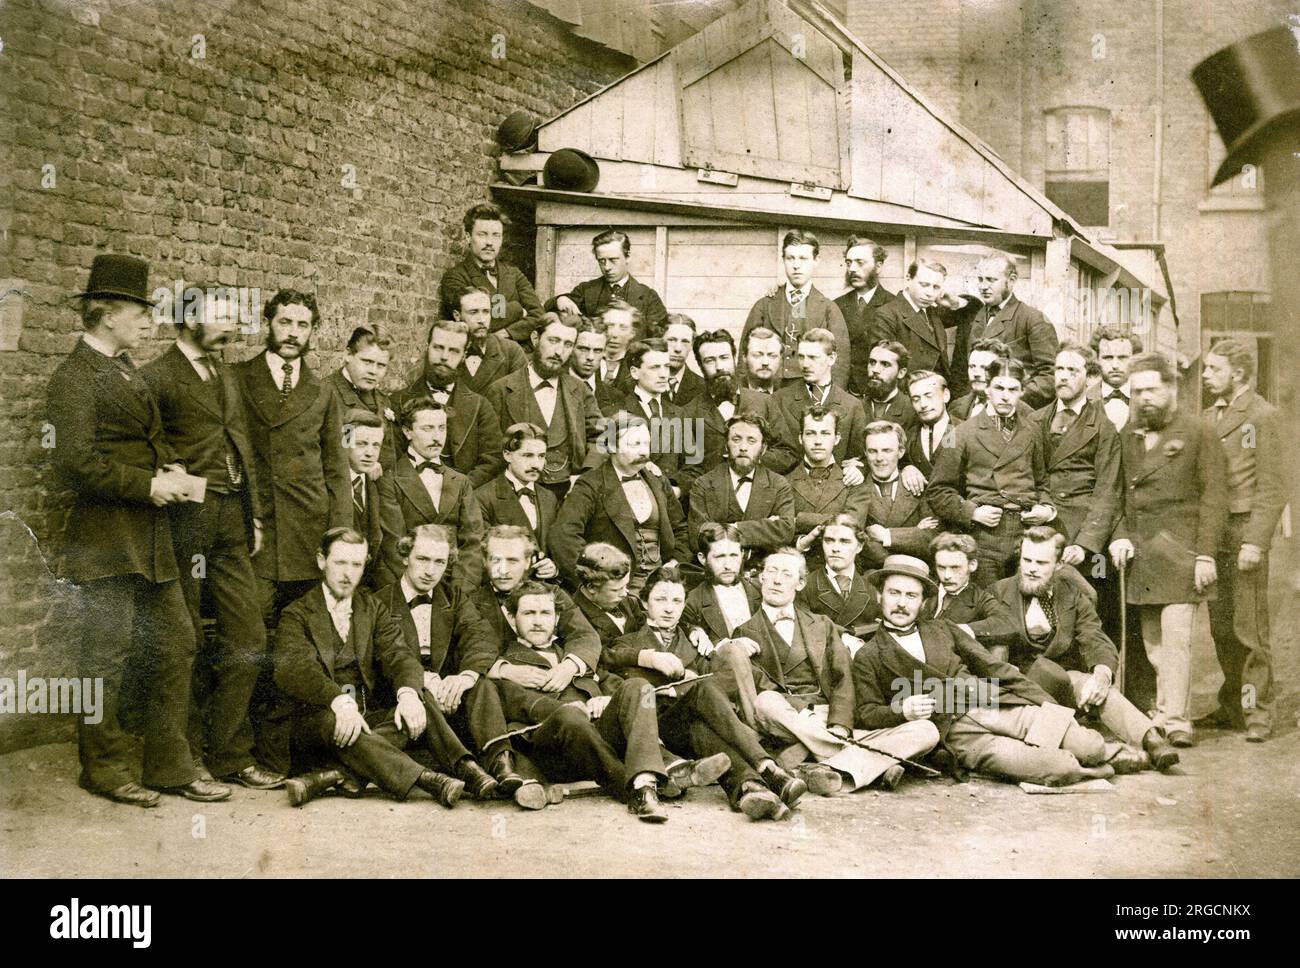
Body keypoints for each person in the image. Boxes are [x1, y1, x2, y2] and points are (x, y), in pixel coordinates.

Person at [46, 254, 227, 808]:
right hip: (106, 539)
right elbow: (71, 463)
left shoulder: (125, 369)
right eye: (139, 311)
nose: (150, 320)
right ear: (105, 314)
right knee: (106, 654)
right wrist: (147, 484)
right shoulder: (73, 378)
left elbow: (148, 438)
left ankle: (169, 766)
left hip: (151, 538)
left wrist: (170, 465)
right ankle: (103, 767)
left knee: (176, 643)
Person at [141, 287, 284, 790]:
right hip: (184, 521)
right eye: (219, 316)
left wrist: (256, 517)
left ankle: (229, 753)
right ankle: (185, 760)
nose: (232, 325)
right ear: (186, 321)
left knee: (249, 635)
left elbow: (243, 445)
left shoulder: (224, 371)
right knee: (184, 641)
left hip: (231, 518)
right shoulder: (157, 377)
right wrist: (166, 467)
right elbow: (146, 445)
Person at [853, 555, 1120, 787]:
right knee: (1059, 766)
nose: (901, 603)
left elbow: (997, 668)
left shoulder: (943, 628)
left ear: (923, 602)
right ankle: (1104, 767)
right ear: (879, 595)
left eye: (911, 595)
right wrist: (903, 711)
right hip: (960, 736)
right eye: (894, 593)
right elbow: (866, 713)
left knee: (1089, 746)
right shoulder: (869, 655)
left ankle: (1106, 754)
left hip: (993, 703)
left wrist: (1047, 705)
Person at [489, 581, 721, 822]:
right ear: (512, 618)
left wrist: (607, 699)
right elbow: (519, 703)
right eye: (528, 613)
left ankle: (646, 784)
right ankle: (638, 783)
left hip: (596, 740)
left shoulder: (575, 655)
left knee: (638, 687)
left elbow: (608, 681)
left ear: (557, 618)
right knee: (570, 716)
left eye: (545, 613)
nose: (538, 621)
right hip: (551, 749)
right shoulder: (506, 664)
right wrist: (576, 709)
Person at [268, 528, 467, 808]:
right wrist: (338, 701)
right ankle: (426, 779)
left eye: (357, 564)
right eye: (340, 563)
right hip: (311, 724)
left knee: (421, 702)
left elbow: (399, 655)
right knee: (332, 721)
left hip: (364, 719)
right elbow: (295, 669)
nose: (348, 574)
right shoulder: (296, 613)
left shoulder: (372, 608)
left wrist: (408, 694)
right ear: (321, 560)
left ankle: (467, 769)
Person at [606, 566, 808, 821]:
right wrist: (651, 659)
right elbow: (610, 659)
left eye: (677, 601)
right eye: (660, 599)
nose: (669, 608)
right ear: (645, 603)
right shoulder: (630, 641)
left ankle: (756, 782)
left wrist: (694, 680)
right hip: (645, 732)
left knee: (704, 701)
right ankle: (761, 774)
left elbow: (716, 686)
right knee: (700, 710)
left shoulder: (694, 643)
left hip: (679, 730)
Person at [728, 548, 937, 792]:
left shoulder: (823, 625)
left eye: (786, 574)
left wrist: (839, 724)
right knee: (765, 701)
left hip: (829, 717)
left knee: (926, 730)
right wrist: (803, 714)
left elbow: (843, 677)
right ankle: (870, 762)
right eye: (771, 572)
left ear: (800, 583)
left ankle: (828, 765)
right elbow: (759, 686)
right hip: (788, 717)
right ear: (760, 578)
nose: (776, 580)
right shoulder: (744, 633)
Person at [375, 524, 548, 809]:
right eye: (422, 559)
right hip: (405, 693)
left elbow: (480, 636)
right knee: (422, 695)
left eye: (439, 562)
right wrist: (421, 679)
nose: (430, 570)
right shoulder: (380, 601)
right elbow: (387, 656)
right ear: (405, 557)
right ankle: (468, 770)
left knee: (482, 685)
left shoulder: (453, 597)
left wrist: (465, 676)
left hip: (448, 691)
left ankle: (501, 764)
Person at [1109, 352, 1228, 747]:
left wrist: (1206, 555)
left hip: (1182, 553)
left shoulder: (1198, 432)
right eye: (1136, 391)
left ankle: (1176, 721)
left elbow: (1214, 498)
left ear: (1171, 388)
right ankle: (1164, 712)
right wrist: (1120, 535)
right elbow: (1122, 496)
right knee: (1154, 644)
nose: (1143, 398)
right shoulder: (1129, 434)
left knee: (1177, 641)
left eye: (1151, 390)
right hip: (1142, 553)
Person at [990, 528, 1178, 772]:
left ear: (1058, 565)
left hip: (1063, 680)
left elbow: (1095, 638)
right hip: (1017, 686)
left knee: (1097, 687)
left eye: (1041, 562)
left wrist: (1101, 676)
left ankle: (1151, 740)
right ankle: (1105, 756)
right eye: (1026, 560)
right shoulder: (997, 592)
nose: (1031, 568)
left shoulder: (1073, 596)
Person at [235, 288, 351, 625]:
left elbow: (336, 468)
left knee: (305, 633)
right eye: (285, 321)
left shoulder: (323, 391)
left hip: (308, 531)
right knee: (252, 630)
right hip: (259, 531)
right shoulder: (239, 378)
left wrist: (341, 536)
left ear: (312, 330)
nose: (292, 332)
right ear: (267, 323)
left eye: (303, 324)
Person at [1200, 339, 1285, 742]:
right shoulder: (1206, 417)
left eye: (1213, 369)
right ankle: (1233, 703)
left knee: (1249, 628)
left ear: (1237, 373)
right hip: (1215, 531)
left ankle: (1258, 712)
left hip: (1244, 529)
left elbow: (1273, 485)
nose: (1204, 376)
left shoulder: (1263, 416)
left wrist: (1255, 541)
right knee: (1220, 627)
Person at [927, 357, 1055, 587]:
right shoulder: (960, 433)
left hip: (1027, 533)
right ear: (987, 388)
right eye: (999, 388)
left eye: (1013, 389)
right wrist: (972, 512)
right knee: (992, 605)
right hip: (985, 534)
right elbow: (938, 491)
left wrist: (1045, 508)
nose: (1006, 396)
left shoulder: (1034, 431)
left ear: (1022, 391)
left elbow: (1042, 481)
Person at [551, 413, 687, 590]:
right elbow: (563, 536)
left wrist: (674, 563)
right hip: (616, 588)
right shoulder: (591, 484)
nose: (644, 451)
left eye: (646, 444)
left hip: (663, 583)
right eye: (635, 444)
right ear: (613, 445)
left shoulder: (658, 481)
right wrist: (596, 580)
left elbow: (681, 528)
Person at [483, 313, 602, 503]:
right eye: (553, 341)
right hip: (515, 496)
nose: (559, 351)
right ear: (535, 338)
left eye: (568, 344)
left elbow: (601, 437)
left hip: (568, 496)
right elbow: (488, 450)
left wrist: (584, 477)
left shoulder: (579, 391)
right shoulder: (501, 390)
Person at [375, 396, 484, 592]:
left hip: (457, 588)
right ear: (408, 432)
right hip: (409, 585)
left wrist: (461, 589)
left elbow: (473, 541)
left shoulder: (460, 481)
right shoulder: (390, 480)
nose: (437, 437)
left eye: (442, 428)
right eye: (428, 428)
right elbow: (393, 544)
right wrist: (418, 587)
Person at [1033, 343, 1123, 578]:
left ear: (1091, 378)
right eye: (1059, 369)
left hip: (1082, 529)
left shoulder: (1104, 428)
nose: (1063, 377)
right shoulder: (1034, 420)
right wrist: (1043, 507)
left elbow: (1107, 491)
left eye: (1073, 371)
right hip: (1040, 523)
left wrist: (1084, 545)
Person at [675, 328, 789, 496]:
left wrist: (750, 464)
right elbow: (691, 467)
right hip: (712, 499)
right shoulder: (690, 413)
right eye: (710, 361)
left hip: (759, 495)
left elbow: (787, 451)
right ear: (700, 366)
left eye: (724, 358)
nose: (719, 367)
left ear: (734, 359)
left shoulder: (764, 402)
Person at [394, 317, 504, 487]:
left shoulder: (480, 406)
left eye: (453, 351)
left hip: (464, 498)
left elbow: (493, 459)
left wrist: (461, 489)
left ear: (464, 356)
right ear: (427, 347)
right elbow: (392, 456)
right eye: (438, 348)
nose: (444, 357)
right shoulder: (398, 401)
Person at [741, 230, 852, 387]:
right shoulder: (764, 306)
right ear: (783, 260)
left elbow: (841, 364)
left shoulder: (829, 309)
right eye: (790, 258)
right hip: (770, 392)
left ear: (816, 261)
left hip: (811, 393)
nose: (796, 265)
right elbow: (743, 357)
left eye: (803, 258)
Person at [472, 525, 602, 655]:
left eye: (512, 561)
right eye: (496, 560)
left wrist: (568, 667)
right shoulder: (472, 603)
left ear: (527, 561)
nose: (503, 570)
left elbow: (585, 636)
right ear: (484, 561)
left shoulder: (553, 593)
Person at [687, 411, 795, 557]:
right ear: (726, 445)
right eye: (736, 439)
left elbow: (785, 530)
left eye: (751, 441)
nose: (743, 447)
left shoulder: (779, 485)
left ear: (763, 448)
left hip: (763, 569)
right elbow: (697, 537)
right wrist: (765, 527)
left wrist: (733, 528)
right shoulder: (703, 484)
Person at [868, 259, 979, 395]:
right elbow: (884, 368)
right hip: (910, 398)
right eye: (924, 285)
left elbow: (974, 309)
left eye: (936, 287)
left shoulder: (933, 312)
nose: (930, 293)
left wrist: (954, 302)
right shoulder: (887, 314)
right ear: (908, 279)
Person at [438, 202, 544, 343]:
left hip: (517, 351)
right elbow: (473, 320)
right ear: (468, 238)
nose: (489, 242)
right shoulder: (456, 277)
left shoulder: (514, 274)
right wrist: (517, 309)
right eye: (482, 235)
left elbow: (539, 316)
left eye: (496, 235)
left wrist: (506, 333)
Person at [962, 253, 1059, 408]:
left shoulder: (1032, 319)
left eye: (991, 280)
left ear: (1011, 280)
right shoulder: (977, 317)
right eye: (980, 279)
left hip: (1016, 412)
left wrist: (1009, 397)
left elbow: (1050, 376)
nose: (983, 286)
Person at [768, 329, 867, 475]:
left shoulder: (852, 405)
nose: (805, 364)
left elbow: (861, 457)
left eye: (813, 357)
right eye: (801, 357)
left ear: (832, 358)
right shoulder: (779, 400)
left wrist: (858, 470)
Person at [549, 229, 668, 332]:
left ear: (628, 257)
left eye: (613, 260)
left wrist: (635, 317)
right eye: (602, 261)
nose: (607, 267)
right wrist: (560, 300)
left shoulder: (648, 297)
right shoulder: (586, 290)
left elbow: (659, 336)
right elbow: (549, 311)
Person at [922, 532, 1019, 653]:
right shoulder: (924, 590)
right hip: (915, 666)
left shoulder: (979, 598)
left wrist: (961, 630)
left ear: (972, 565)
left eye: (955, 568)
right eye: (941, 567)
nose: (947, 576)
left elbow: (1009, 624)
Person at [788, 406, 870, 549]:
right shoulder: (784, 482)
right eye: (810, 433)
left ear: (837, 438)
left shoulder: (853, 481)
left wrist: (799, 520)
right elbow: (781, 529)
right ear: (801, 438)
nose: (818, 441)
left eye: (825, 433)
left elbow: (852, 524)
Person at [860, 419, 939, 567]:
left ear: (901, 451)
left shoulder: (919, 485)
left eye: (887, 450)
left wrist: (886, 536)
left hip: (917, 575)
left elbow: (932, 539)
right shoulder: (856, 489)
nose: (879, 458)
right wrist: (913, 533)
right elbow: (859, 544)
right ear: (865, 452)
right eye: (872, 451)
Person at [340, 408, 404, 589]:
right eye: (361, 444)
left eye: (376, 445)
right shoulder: (329, 485)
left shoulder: (375, 483)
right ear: (344, 443)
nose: (370, 453)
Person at [474, 422, 560, 550]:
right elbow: (483, 551)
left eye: (541, 456)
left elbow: (556, 545)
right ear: (507, 455)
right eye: (528, 455)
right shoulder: (483, 498)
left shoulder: (549, 498)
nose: (536, 464)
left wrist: (553, 568)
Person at [326, 324, 398, 474]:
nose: (373, 371)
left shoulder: (383, 401)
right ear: (348, 355)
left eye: (381, 365)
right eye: (367, 362)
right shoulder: (326, 394)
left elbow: (389, 454)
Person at [795, 514, 880, 636]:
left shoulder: (871, 589)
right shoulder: (805, 587)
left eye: (844, 542)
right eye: (829, 541)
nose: (835, 548)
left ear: (859, 547)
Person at [834, 235, 895, 398]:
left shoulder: (894, 305)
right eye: (849, 263)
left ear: (879, 266)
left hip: (879, 395)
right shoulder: (836, 306)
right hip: (843, 395)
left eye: (860, 263)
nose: (852, 269)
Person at [618, 338, 686, 483]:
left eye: (666, 366)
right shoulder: (618, 413)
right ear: (635, 372)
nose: (663, 374)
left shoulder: (679, 414)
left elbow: (694, 465)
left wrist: (676, 490)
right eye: (655, 367)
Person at [682, 523, 762, 644]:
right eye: (719, 557)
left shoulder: (760, 590)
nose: (728, 566)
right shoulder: (693, 602)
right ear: (702, 558)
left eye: (734, 555)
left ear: (743, 555)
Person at [450, 286, 528, 393]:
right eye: (473, 312)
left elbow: (522, 399)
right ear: (457, 315)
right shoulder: (445, 351)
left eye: (486, 312)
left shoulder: (511, 351)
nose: (482, 320)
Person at [570, 543, 646, 648]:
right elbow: (601, 654)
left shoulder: (629, 603)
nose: (625, 593)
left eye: (625, 586)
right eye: (616, 590)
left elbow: (645, 631)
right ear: (591, 587)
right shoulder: (575, 617)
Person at [903, 369, 959, 482]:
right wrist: (906, 468)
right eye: (916, 399)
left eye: (929, 396)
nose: (923, 405)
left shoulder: (964, 430)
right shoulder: (908, 437)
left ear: (946, 395)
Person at [1090, 326, 1141, 433]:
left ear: (1134, 359)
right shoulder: (1083, 400)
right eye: (1108, 357)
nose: (1115, 365)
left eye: (1122, 357)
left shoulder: (1144, 399)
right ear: (1097, 359)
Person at [862, 340, 919, 435]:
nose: (875, 370)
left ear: (901, 373)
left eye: (885, 364)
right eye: (872, 362)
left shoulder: (913, 411)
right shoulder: (855, 407)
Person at [949, 337, 1010, 420]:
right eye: (972, 366)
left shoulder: (1020, 412)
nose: (976, 374)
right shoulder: (955, 407)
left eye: (984, 368)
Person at [660, 313, 705, 406]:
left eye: (685, 341)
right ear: (659, 341)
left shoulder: (703, 389)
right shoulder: (639, 385)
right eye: (672, 340)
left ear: (692, 345)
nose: (678, 349)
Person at [738, 325, 784, 394]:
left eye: (772, 356)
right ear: (744, 356)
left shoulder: (789, 393)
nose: (765, 362)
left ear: (781, 358)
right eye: (757, 355)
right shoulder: (735, 391)